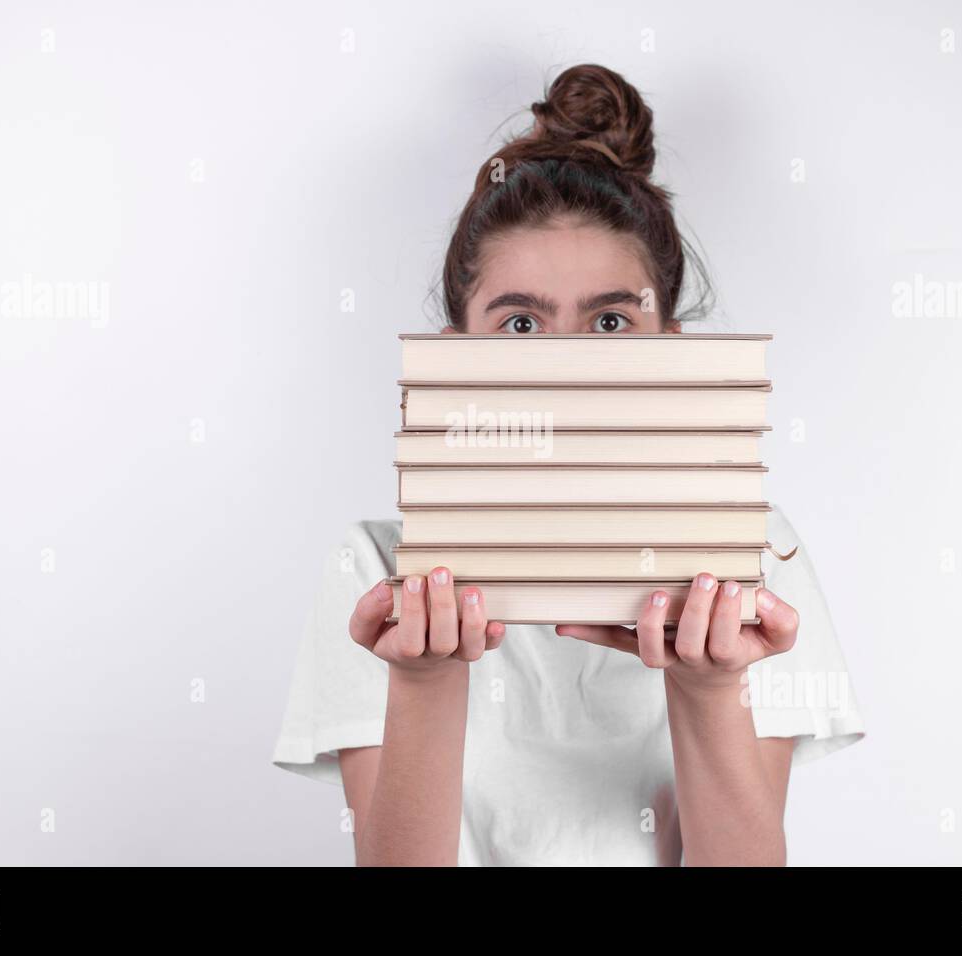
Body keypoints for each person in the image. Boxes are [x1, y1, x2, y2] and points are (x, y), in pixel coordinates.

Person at [273, 64, 865, 866]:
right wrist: (423, 684)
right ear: (453, 360)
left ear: (671, 354)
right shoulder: (380, 573)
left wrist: (705, 689)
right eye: (520, 326)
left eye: (611, 322)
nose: (566, 367)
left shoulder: (753, 560)